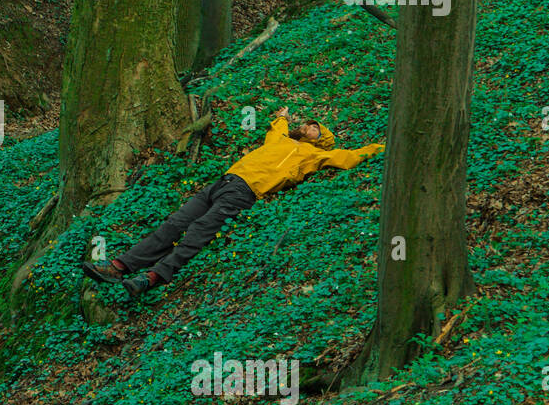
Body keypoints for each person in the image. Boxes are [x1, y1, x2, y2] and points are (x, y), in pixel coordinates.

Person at [80, 106, 384, 299]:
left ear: (321, 139)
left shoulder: (316, 154)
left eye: (316, 127)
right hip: (224, 182)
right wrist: (282, 117)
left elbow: (349, 157)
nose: (310, 125)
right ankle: (119, 266)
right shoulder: (280, 140)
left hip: (246, 192)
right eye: (309, 123)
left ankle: (153, 277)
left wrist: (384, 145)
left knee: (199, 230)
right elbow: (276, 127)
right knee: (175, 223)